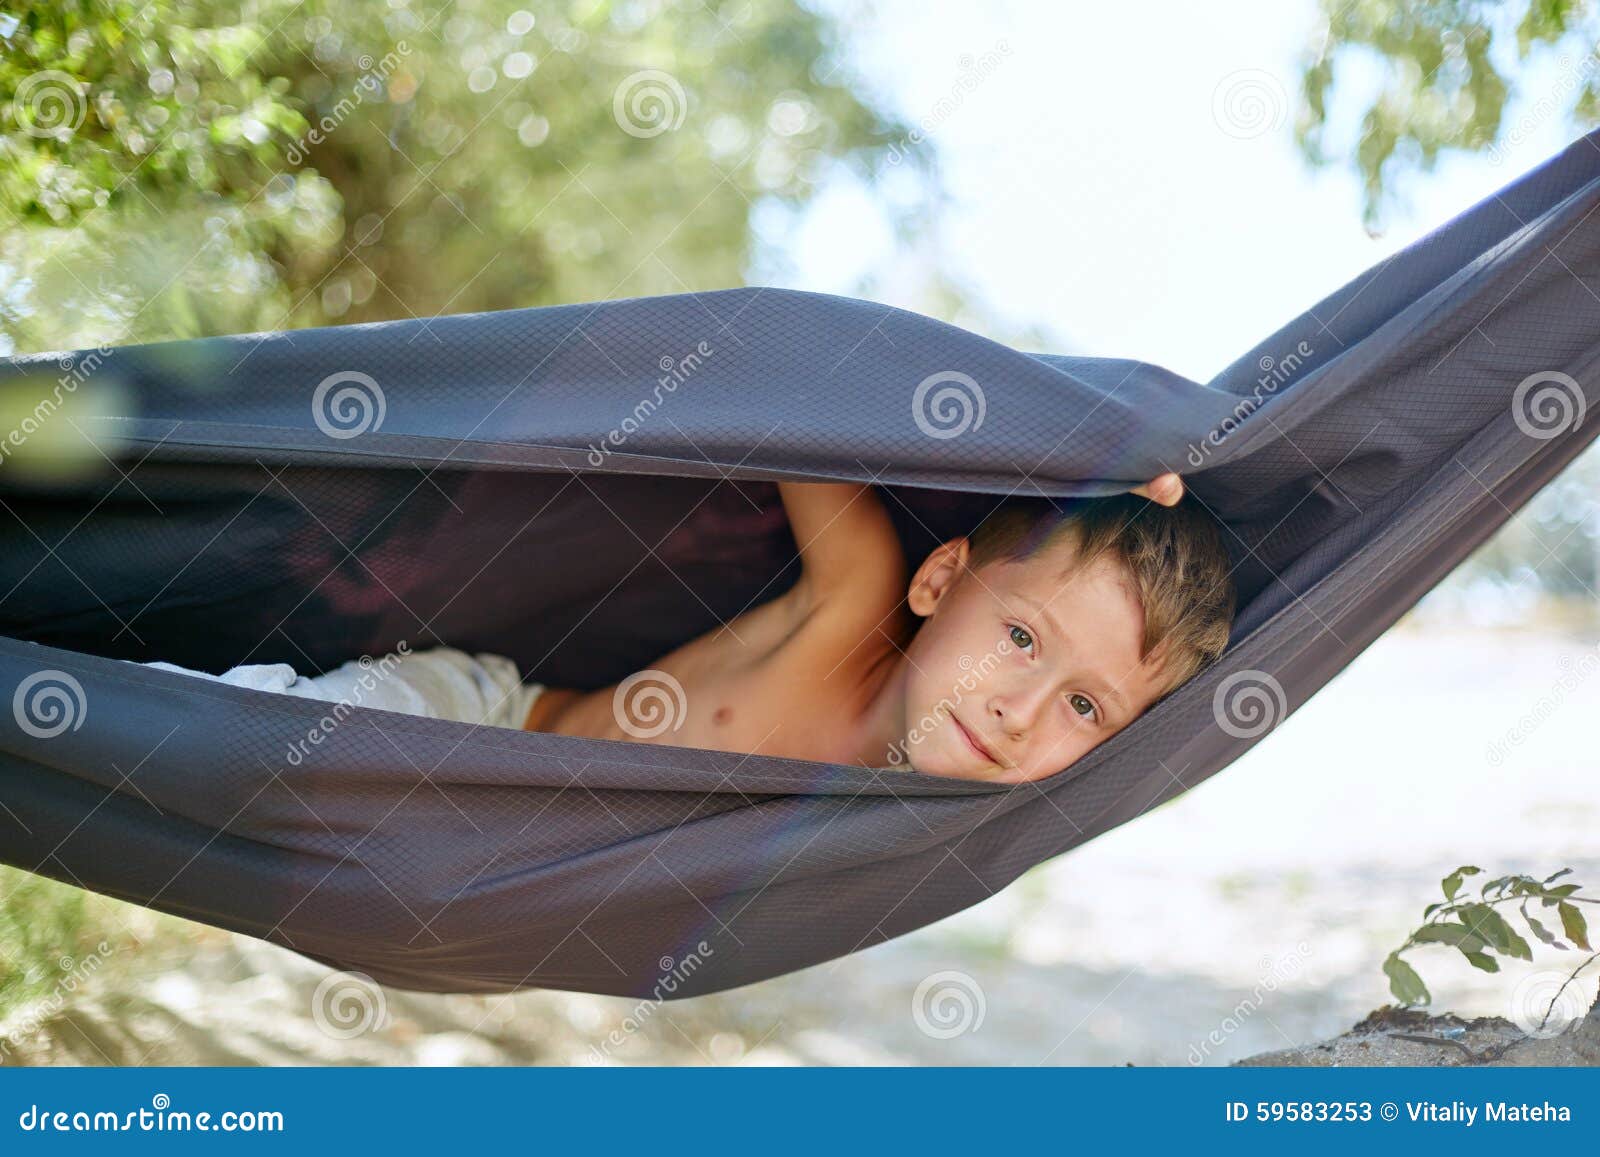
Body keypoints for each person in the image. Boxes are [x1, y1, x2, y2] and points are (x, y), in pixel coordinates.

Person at [144, 474, 1236, 784]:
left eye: (1085, 706)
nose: (1021, 708)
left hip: (496, 865)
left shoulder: (930, 836)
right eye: (1023, 638)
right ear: (939, 579)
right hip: (481, 723)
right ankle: (104, 711)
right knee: (259, 742)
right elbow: (812, 384)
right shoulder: (851, 602)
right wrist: (1074, 443)